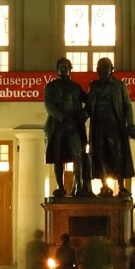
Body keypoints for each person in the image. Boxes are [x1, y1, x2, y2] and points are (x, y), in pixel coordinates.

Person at [86, 58, 135, 198]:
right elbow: (89, 106)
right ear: (97, 71)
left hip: (115, 125)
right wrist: (80, 117)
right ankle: (104, 186)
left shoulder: (119, 85)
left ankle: (121, 186)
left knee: (118, 154)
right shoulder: (94, 85)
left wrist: (131, 124)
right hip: (98, 125)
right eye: (101, 69)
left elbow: (127, 105)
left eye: (106, 68)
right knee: (101, 154)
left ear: (112, 69)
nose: (103, 71)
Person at [43, 57, 89, 197]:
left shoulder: (76, 87)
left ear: (70, 69)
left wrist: (85, 113)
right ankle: (60, 187)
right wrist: (62, 117)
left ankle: (79, 186)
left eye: (66, 66)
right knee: (58, 158)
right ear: (57, 69)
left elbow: (89, 101)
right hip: (57, 126)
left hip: (74, 125)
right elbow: (49, 106)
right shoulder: (50, 87)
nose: (63, 69)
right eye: (61, 66)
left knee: (78, 155)